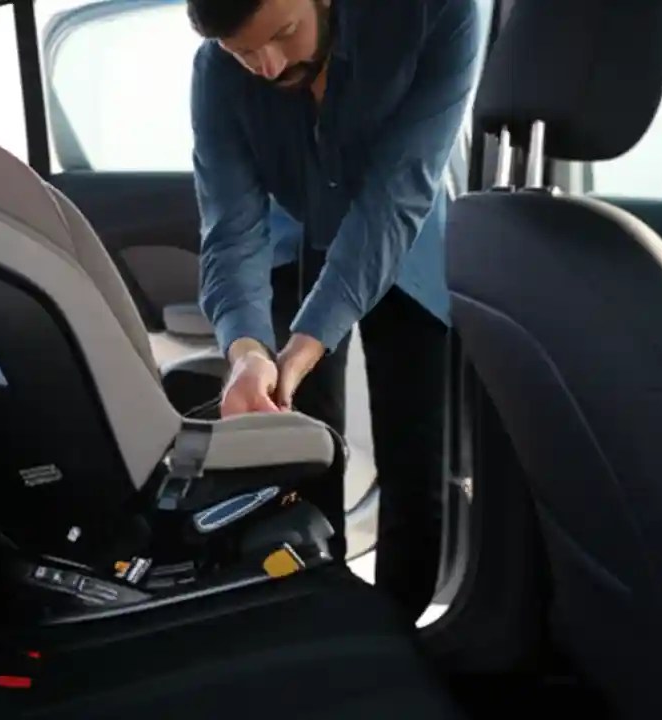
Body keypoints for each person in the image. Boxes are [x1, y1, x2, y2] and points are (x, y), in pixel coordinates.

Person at [187, 0, 482, 622]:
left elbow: (395, 194)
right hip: (295, 235)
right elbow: (231, 228)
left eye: (284, 34)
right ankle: (313, 622)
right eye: (244, 52)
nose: (266, 67)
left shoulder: (437, 15)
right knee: (296, 454)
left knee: (416, 458)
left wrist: (307, 342)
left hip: (409, 234)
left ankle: (398, 634)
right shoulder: (217, 74)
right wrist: (247, 352)